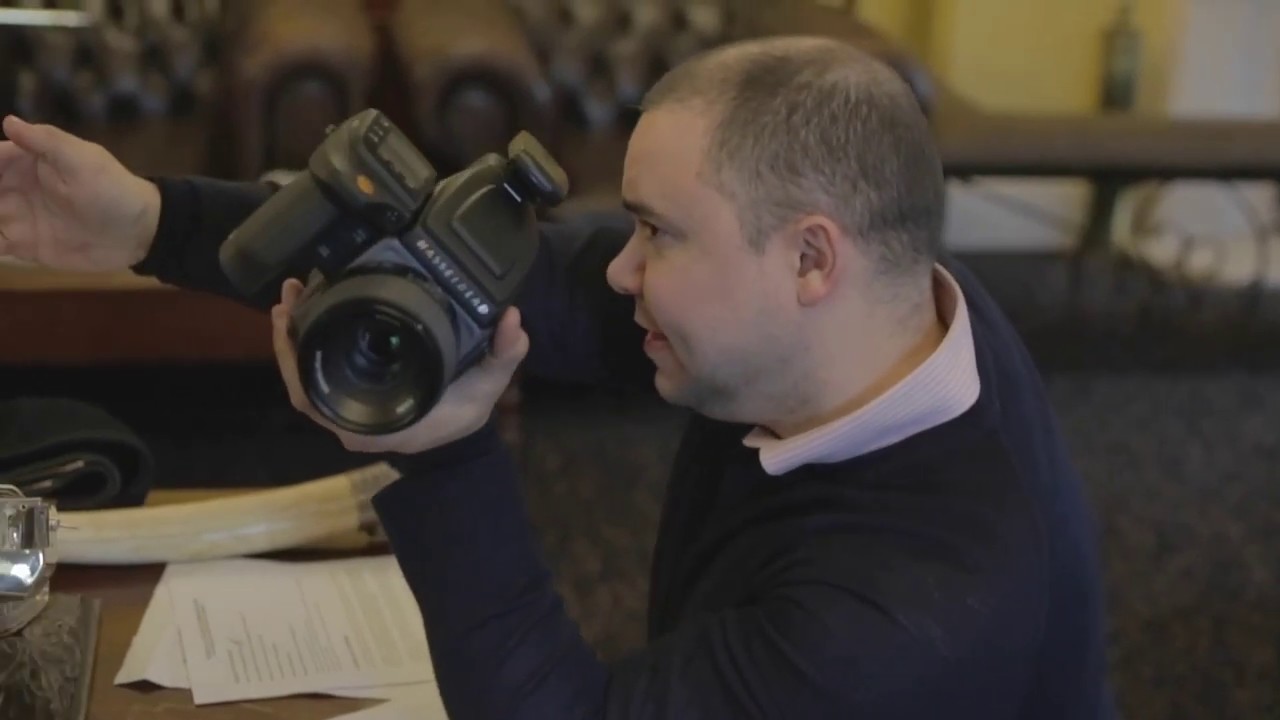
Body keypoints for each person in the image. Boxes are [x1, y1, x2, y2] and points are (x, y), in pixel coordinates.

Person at [0, 36, 1115, 719]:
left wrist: (439, 457)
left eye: (656, 233)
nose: (621, 266)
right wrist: (149, 223)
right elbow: (498, 274)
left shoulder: (898, 622)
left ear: (810, 256)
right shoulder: (888, 305)